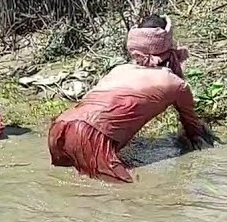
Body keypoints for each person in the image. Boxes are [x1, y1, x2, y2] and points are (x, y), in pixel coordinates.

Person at [47, 15, 215, 182]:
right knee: (129, 193)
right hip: (90, 136)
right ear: (168, 44)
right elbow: (192, 129)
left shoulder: (120, 69)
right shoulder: (176, 84)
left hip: (60, 128)